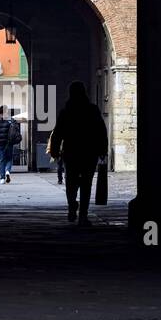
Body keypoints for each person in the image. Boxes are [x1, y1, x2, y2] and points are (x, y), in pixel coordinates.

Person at [48, 81, 107, 225]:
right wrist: (102, 149)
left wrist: (55, 151)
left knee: (71, 182)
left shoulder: (66, 111)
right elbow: (101, 130)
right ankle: (83, 216)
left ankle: (72, 205)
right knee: (86, 184)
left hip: (71, 152)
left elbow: (58, 132)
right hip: (89, 152)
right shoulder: (92, 110)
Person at [0, 105, 19, 183]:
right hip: (9, 143)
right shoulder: (10, 120)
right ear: (6, 111)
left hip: (0, 143)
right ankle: (7, 171)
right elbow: (16, 129)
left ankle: (2, 178)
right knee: (9, 159)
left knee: (2, 161)